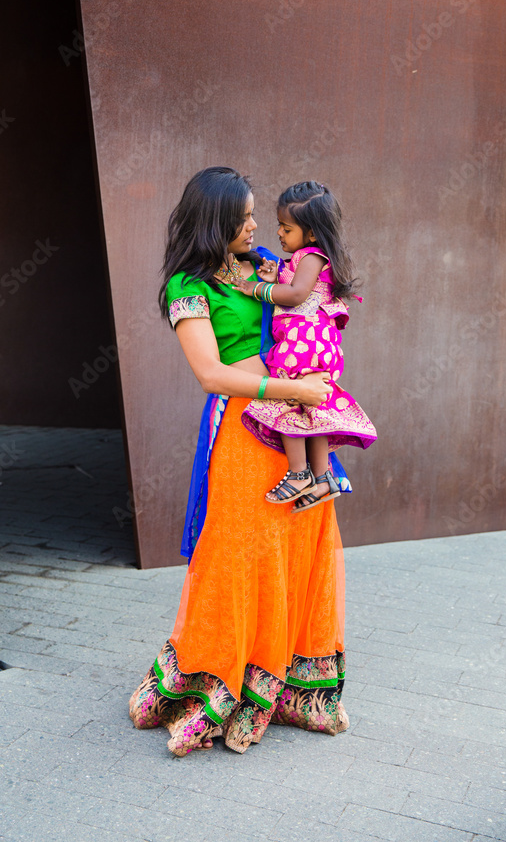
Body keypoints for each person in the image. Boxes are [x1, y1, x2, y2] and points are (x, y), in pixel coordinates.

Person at [129, 166, 350, 756]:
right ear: (215, 223)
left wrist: (320, 389)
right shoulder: (189, 287)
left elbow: (315, 312)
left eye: (256, 216)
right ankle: (218, 686)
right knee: (237, 559)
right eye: (244, 218)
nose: (256, 227)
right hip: (246, 431)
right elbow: (211, 373)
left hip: (300, 430)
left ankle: (286, 690)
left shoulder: (268, 267)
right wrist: (294, 389)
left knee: (300, 549)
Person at [234, 182, 377, 512]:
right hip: (315, 344)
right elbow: (296, 289)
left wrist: (255, 289)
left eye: (286, 228)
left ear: (311, 233)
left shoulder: (311, 256)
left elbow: (297, 295)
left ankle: (299, 473)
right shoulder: (305, 258)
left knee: (287, 399)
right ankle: (323, 476)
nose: (279, 234)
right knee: (310, 408)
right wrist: (275, 278)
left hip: (304, 344)